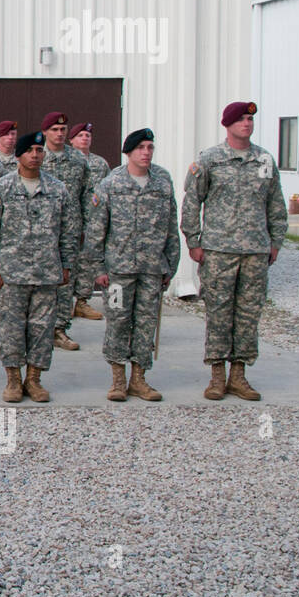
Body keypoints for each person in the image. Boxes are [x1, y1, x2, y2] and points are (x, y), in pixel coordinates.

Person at [181, 101, 288, 400]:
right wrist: (194, 241)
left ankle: (239, 375)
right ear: (227, 124)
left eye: (250, 119)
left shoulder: (264, 160)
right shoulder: (210, 159)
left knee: (248, 314)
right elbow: (192, 202)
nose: (247, 123)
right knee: (218, 312)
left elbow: (276, 205)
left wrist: (275, 242)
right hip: (218, 251)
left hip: (255, 252)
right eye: (241, 119)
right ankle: (217, 375)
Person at [0, 131, 79, 404]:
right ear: (18, 155)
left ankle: (34, 379)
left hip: (47, 274)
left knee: (43, 328)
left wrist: (67, 264)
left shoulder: (58, 189)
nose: (35, 155)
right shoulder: (0, 189)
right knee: (11, 328)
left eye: (39, 150)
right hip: (11, 274)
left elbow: (69, 231)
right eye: (30, 150)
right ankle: (12, 379)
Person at [82, 128, 179, 401]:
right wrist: (98, 269)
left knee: (146, 324)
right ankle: (117, 380)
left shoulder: (162, 182)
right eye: (141, 148)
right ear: (129, 152)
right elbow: (96, 230)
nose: (146, 152)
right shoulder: (111, 184)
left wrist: (170, 265)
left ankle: (139, 379)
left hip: (151, 269)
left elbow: (171, 226)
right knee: (117, 322)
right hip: (118, 271)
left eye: (150, 147)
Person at [40, 112, 92, 350]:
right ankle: (38, 329)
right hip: (40, 230)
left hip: (69, 230)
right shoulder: (37, 155)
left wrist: (86, 227)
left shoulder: (78, 160)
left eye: (62, 130)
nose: (59, 134)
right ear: (45, 133)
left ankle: (59, 329)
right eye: (54, 130)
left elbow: (86, 196)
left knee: (65, 280)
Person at [69, 122, 109, 321]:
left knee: (87, 261)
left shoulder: (100, 164)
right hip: (70, 219)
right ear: (72, 140)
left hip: (93, 219)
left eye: (87, 135)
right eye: (80, 135)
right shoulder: (67, 161)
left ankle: (82, 302)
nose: (85, 138)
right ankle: (64, 302)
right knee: (67, 260)